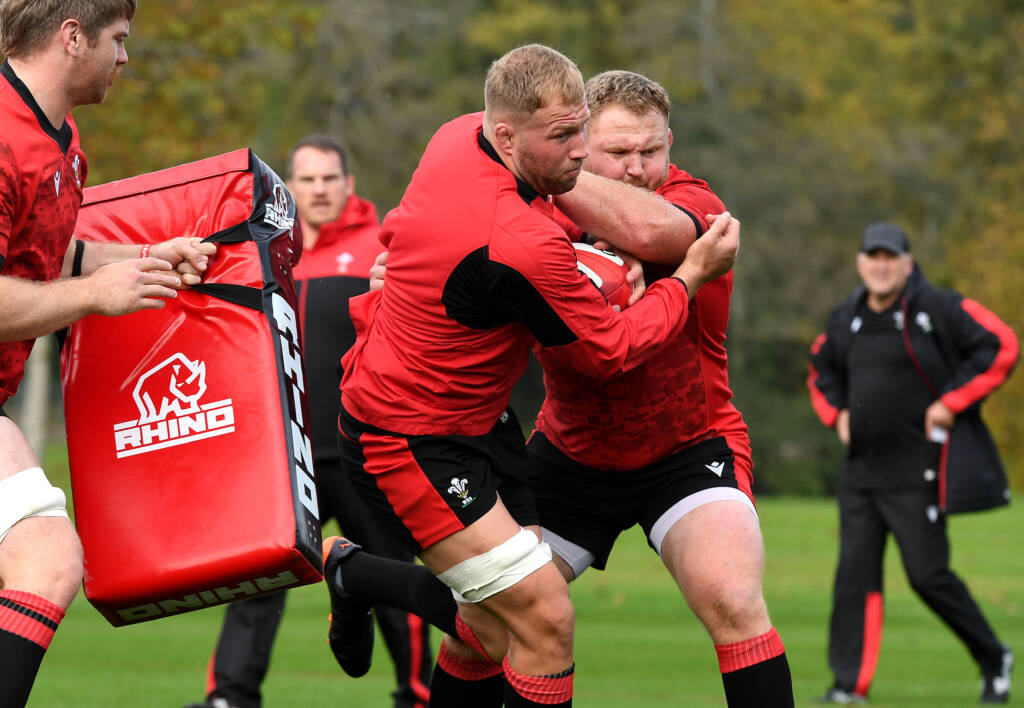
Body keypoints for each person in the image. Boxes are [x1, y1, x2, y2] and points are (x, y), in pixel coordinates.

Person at [323, 70, 794, 707]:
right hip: (569, 455)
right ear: (579, 146)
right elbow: (452, 238)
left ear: (670, 144)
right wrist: (414, 274)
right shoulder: (533, 212)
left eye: (650, 151)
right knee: (487, 629)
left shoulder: (697, 209)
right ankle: (356, 574)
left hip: (687, 449)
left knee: (733, 600)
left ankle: (356, 573)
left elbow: (657, 236)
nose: (635, 169)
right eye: (615, 152)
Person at [0, 2, 216, 705]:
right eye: (118, 40)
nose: (125, 58)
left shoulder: (61, 138)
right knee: (49, 561)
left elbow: (50, 252)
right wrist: (96, 297)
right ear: (72, 37)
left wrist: (148, 257)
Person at [182, 135, 432, 708]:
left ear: (348, 183)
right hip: (286, 452)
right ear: (289, 187)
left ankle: (420, 695)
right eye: (307, 179)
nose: (319, 190)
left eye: (329, 179)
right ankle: (231, 697)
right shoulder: (264, 249)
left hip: (368, 448)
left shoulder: (384, 245)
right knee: (263, 574)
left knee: (395, 574)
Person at [807, 222, 1018, 704]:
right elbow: (820, 371)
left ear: (907, 262)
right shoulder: (846, 319)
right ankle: (849, 687)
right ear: (861, 263)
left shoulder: (938, 308)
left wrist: (951, 401)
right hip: (860, 474)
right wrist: (836, 414)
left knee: (927, 576)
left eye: (890, 257)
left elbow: (1002, 345)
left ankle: (993, 657)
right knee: (854, 581)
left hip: (920, 473)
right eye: (872, 257)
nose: (881, 266)